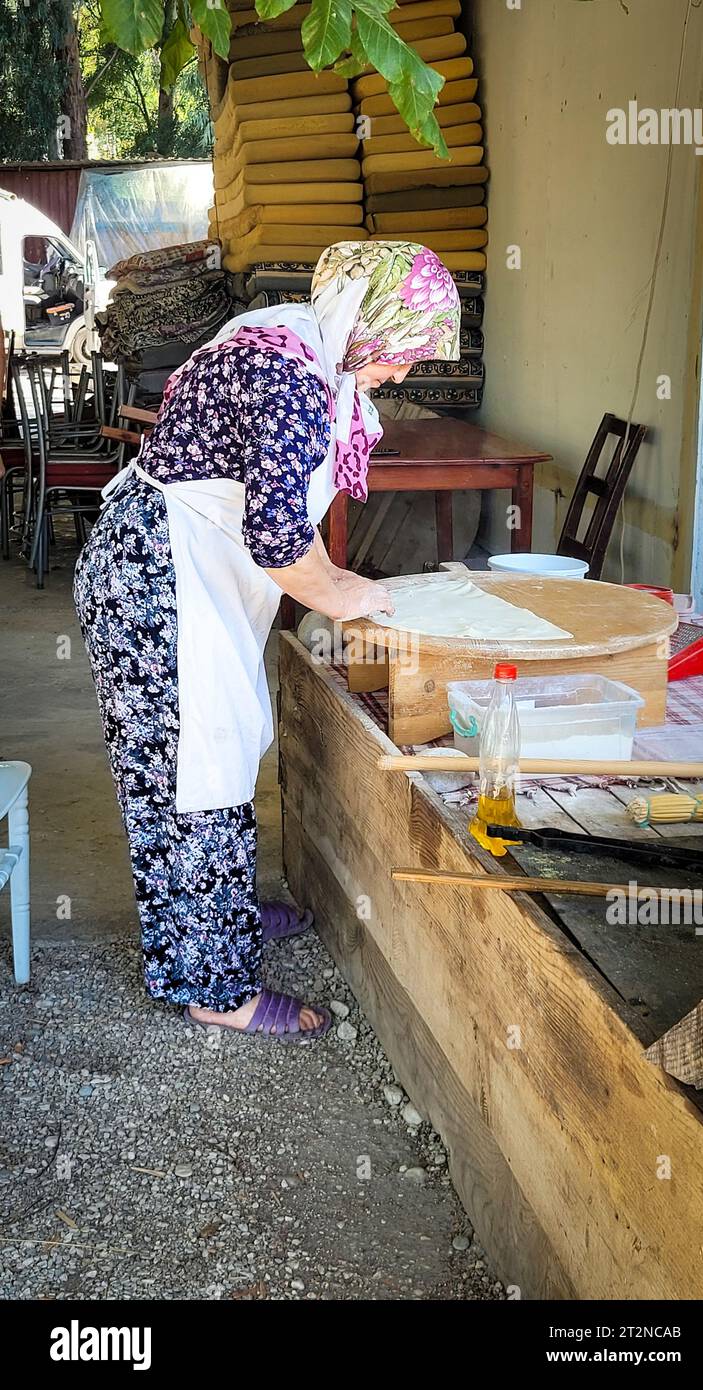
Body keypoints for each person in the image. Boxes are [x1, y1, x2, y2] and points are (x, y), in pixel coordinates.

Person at [73, 240, 461, 1041]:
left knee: (199, 761)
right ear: (371, 321)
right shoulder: (286, 377)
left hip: (172, 576)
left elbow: (273, 511)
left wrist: (344, 589)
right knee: (196, 769)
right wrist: (358, 597)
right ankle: (215, 984)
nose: (401, 374)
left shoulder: (297, 341)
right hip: (157, 587)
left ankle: (214, 918)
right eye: (405, 353)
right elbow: (281, 541)